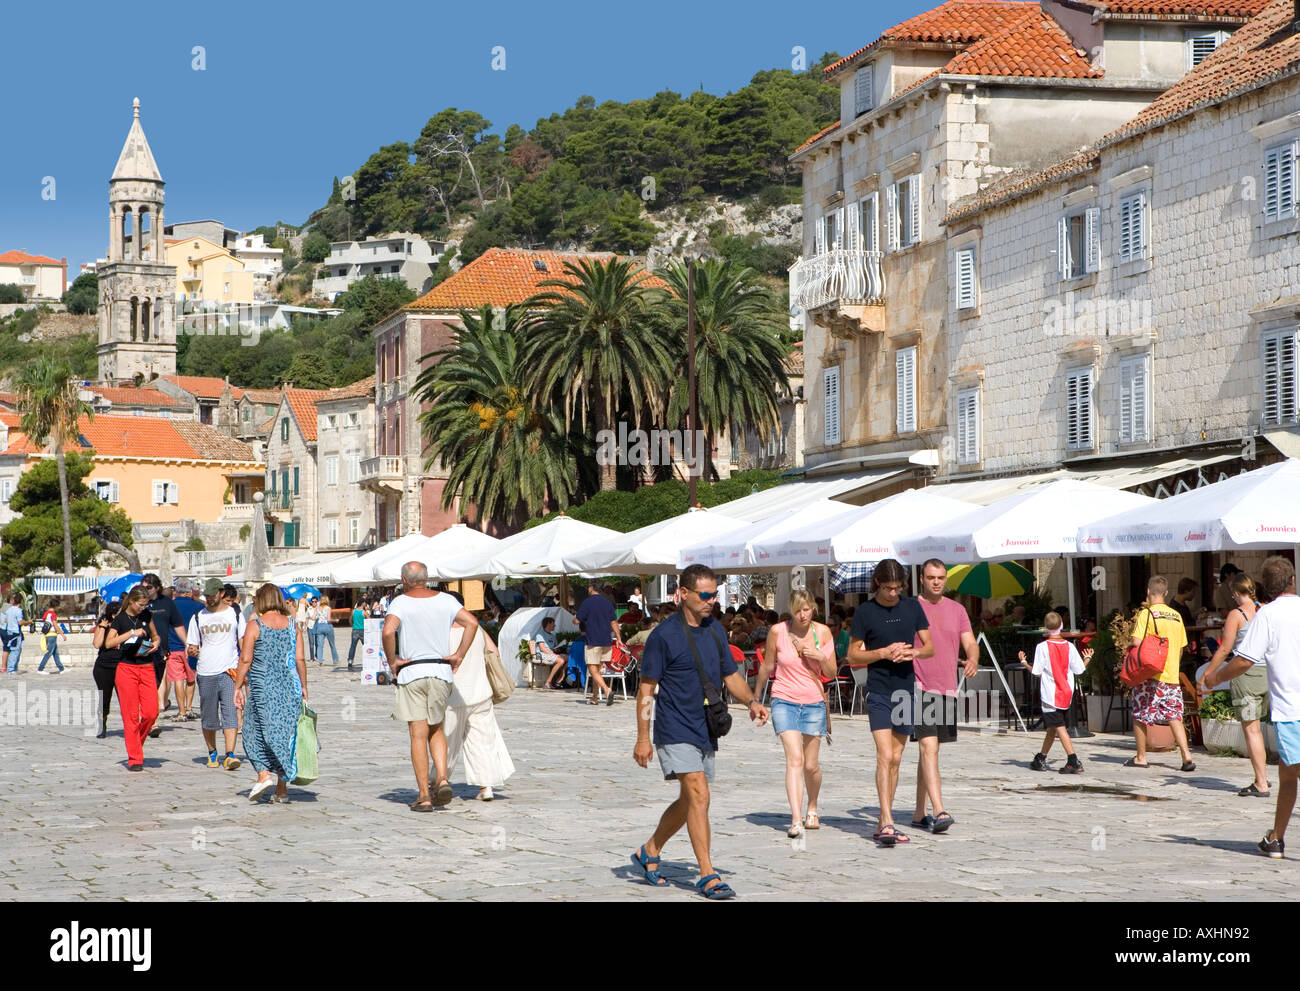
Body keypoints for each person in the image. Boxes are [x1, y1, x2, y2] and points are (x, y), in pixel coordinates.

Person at [631, 564, 769, 899]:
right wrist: (643, 737)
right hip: (673, 725)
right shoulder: (664, 636)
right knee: (699, 795)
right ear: (684, 594)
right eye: (705, 595)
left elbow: (731, 676)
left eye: (715, 594)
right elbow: (646, 690)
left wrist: (752, 701)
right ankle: (707, 874)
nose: (711, 601)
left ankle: (650, 849)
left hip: (704, 726)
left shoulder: (715, 631)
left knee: (689, 800)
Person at [1205, 556, 1300, 858]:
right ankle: (1276, 838)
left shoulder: (1268, 616)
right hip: (1290, 710)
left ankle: (1276, 839)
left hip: (1291, 710)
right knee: (1287, 779)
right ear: (1292, 580)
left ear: (1265, 587)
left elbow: (1245, 659)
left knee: (1291, 777)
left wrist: (1216, 677)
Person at [846, 558, 934, 846]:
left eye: (897, 588)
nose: (892, 593)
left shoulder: (911, 607)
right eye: (887, 588)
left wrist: (913, 654)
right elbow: (853, 656)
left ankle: (886, 819)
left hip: (905, 690)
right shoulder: (865, 612)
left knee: (896, 758)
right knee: (884, 755)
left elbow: (929, 646)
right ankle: (886, 820)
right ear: (877, 584)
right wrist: (883, 652)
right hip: (880, 689)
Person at [383, 562, 479, 812]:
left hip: (412, 672)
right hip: (439, 671)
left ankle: (424, 795)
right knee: (436, 729)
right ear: (426, 579)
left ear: (404, 580)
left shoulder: (401, 603)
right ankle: (443, 778)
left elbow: (387, 631)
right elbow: (472, 622)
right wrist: (458, 654)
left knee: (417, 734)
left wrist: (393, 660)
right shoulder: (446, 600)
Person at [754, 589, 835, 838]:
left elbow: (831, 672)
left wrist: (819, 656)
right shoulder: (778, 631)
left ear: (814, 609)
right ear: (791, 610)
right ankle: (796, 819)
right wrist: (755, 698)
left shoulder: (822, 632)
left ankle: (812, 806)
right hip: (784, 700)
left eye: (807, 609)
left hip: (813, 702)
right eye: (798, 610)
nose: (803, 615)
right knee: (795, 759)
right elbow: (768, 665)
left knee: (811, 766)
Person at [911, 559, 979, 833]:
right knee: (930, 748)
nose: (936, 582)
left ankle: (918, 813)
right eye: (931, 577)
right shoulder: (910, 608)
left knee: (929, 750)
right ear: (922, 579)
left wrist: (973, 658)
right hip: (918, 686)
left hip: (947, 688)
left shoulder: (958, 609)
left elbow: (970, 642)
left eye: (940, 577)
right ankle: (939, 810)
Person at [234, 584, 308, 803]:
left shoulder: (254, 625)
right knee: (284, 736)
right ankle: (282, 791)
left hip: (263, 689)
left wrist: (237, 686)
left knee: (253, 732)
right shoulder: (293, 625)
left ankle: (263, 774)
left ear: (260, 600)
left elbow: (246, 659)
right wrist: (304, 687)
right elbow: (300, 659)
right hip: (289, 688)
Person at [1200, 573, 1268, 798]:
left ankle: (1261, 782)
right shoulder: (1265, 610)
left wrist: (1209, 674)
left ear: (1238, 593)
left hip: (1245, 672)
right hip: (1268, 672)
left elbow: (1223, 649)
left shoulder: (1236, 615)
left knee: (1252, 729)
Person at [1125, 576, 1197, 772]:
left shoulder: (1146, 614)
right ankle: (1186, 756)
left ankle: (1141, 757)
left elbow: (1136, 643)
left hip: (1151, 675)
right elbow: (1182, 647)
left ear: (1148, 592)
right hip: (1171, 675)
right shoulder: (1176, 615)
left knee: (1140, 714)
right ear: (1165, 593)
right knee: (1174, 716)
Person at [443, 624, 515, 801]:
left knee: (446, 743)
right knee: (482, 742)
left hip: (454, 696)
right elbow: (494, 651)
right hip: (481, 692)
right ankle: (486, 787)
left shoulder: (441, 629)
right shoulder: (476, 628)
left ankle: (439, 780)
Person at [1018, 612, 1093, 773]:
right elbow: (1079, 670)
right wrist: (1087, 658)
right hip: (1066, 693)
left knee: (1059, 727)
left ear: (1045, 627)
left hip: (1050, 695)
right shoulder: (1070, 646)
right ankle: (1041, 758)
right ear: (1061, 626)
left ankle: (1073, 760)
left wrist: (1024, 662)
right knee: (1052, 727)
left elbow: (1037, 672)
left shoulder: (1042, 647)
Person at [189, 578, 246, 772]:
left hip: (229, 670)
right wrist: (192, 651)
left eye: (212, 595)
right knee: (209, 715)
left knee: (231, 712)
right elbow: (192, 644)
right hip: (206, 671)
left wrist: (244, 668)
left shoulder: (234, 614)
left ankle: (230, 754)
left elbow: (242, 642)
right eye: (207, 595)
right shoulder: (198, 617)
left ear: (221, 593)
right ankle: (212, 751)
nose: (209, 598)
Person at [103, 587, 163, 771]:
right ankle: (135, 758)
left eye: (145, 605)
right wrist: (131, 633)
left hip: (146, 666)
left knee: (151, 713)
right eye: (140, 605)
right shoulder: (120, 619)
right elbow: (108, 643)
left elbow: (156, 635)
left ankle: (136, 743)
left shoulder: (146, 616)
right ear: (131, 601)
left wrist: (156, 643)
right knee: (130, 715)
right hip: (126, 668)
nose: (142, 608)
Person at [139, 574, 186, 727]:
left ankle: (150, 718)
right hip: (143, 648)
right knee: (148, 685)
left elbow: (178, 625)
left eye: (149, 588)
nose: (145, 591)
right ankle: (152, 722)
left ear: (157, 588)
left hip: (161, 650)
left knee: (157, 684)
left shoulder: (167, 603)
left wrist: (187, 643)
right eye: (143, 587)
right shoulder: (139, 602)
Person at [577, 582, 622, 706]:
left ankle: (607, 690)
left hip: (593, 640)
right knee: (598, 670)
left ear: (591, 588)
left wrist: (575, 619)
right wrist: (618, 637)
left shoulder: (587, 602)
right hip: (606, 641)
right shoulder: (607, 603)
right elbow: (614, 622)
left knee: (593, 670)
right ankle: (595, 697)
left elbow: (577, 620)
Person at [167, 578, 203, 720]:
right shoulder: (197, 606)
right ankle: (188, 708)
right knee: (190, 678)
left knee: (178, 680)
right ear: (189, 590)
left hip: (173, 646)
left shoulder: (170, 605)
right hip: (191, 647)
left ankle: (181, 710)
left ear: (176, 591)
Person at [92, 601, 122, 738]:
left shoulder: (125, 626)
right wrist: (103, 628)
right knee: (104, 698)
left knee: (125, 698)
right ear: (113, 614)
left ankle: (131, 725)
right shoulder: (103, 625)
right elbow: (97, 644)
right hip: (103, 666)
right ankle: (102, 725)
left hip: (121, 666)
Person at [533, 617, 568, 689]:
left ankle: (560, 678)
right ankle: (548, 682)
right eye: (553, 624)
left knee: (569, 658)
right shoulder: (540, 634)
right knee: (560, 661)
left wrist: (558, 649)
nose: (554, 626)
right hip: (543, 654)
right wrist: (555, 655)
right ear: (548, 624)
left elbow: (554, 648)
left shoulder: (552, 635)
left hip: (551, 654)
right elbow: (542, 649)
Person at [314, 594, 339, 665]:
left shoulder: (317, 608)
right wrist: (335, 620)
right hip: (327, 626)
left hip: (319, 626)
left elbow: (313, 617)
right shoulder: (328, 608)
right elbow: (328, 619)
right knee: (332, 644)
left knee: (320, 645)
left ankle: (319, 661)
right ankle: (335, 660)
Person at [3, 593, 25, 673]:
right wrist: (27, 622)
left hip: (9, 631)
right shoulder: (19, 611)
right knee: (15, 651)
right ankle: (11, 669)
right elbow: (20, 622)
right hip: (16, 632)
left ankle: (11, 668)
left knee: (11, 649)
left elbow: (6, 620)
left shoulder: (8, 610)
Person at [347, 599, 366, 670]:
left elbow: (350, 620)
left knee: (353, 646)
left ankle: (350, 660)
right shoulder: (364, 612)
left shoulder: (353, 611)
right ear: (363, 603)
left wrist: (353, 625)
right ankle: (368, 659)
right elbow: (370, 620)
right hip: (363, 630)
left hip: (355, 630)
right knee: (365, 646)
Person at [296, 594, 314, 663]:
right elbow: (309, 606)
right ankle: (303, 628)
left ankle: (300, 628)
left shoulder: (299, 600)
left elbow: (297, 606)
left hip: (299, 611)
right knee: (303, 620)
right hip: (303, 610)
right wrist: (307, 605)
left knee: (300, 620)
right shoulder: (305, 600)